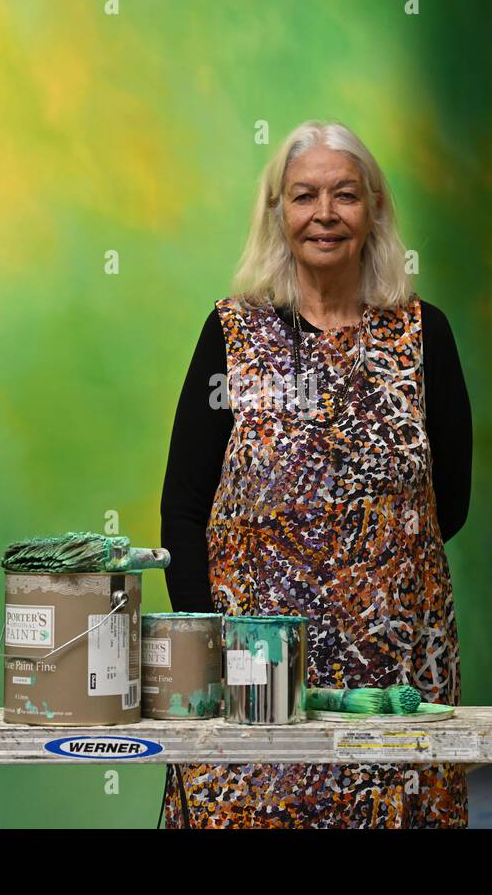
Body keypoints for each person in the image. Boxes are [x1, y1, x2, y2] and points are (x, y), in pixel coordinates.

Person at [160, 120, 473, 827]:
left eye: (345, 196)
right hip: (255, 673)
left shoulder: (426, 335)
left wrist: (367, 577)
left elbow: (448, 503)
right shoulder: (232, 333)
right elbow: (183, 507)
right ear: (277, 214)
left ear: (376, 212)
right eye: (304, 197)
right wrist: (210, 648)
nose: (325, 215)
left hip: (395, 673)